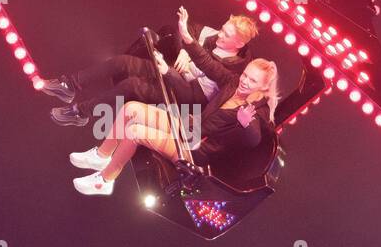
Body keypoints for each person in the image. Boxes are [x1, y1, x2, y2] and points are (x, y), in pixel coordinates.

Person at [70, 58, 279, 196]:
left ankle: (105, 181)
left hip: (195, 151)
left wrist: (245, 124)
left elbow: (255, 138)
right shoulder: (233, 83)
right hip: (190, 128)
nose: (245, 81)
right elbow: (209, 64)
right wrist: (188, 38)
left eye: (252, 80)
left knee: (134, 132)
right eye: (245, 75)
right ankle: (102, 155)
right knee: (130, 108)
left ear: (263, 86)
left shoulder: (258, 111)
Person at [41, 11, 257, 127]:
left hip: (183, 96)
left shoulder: (232, 73)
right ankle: (68, 85)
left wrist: (170, 72)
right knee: (122, 62)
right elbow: (189, 30)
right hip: (172, 70)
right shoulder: (213, 34)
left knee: (131, 85)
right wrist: (184, 49)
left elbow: (192, 96)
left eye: (226, 35)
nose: (220, 34)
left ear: (238, 44)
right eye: (222, 29)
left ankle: (80, 112)